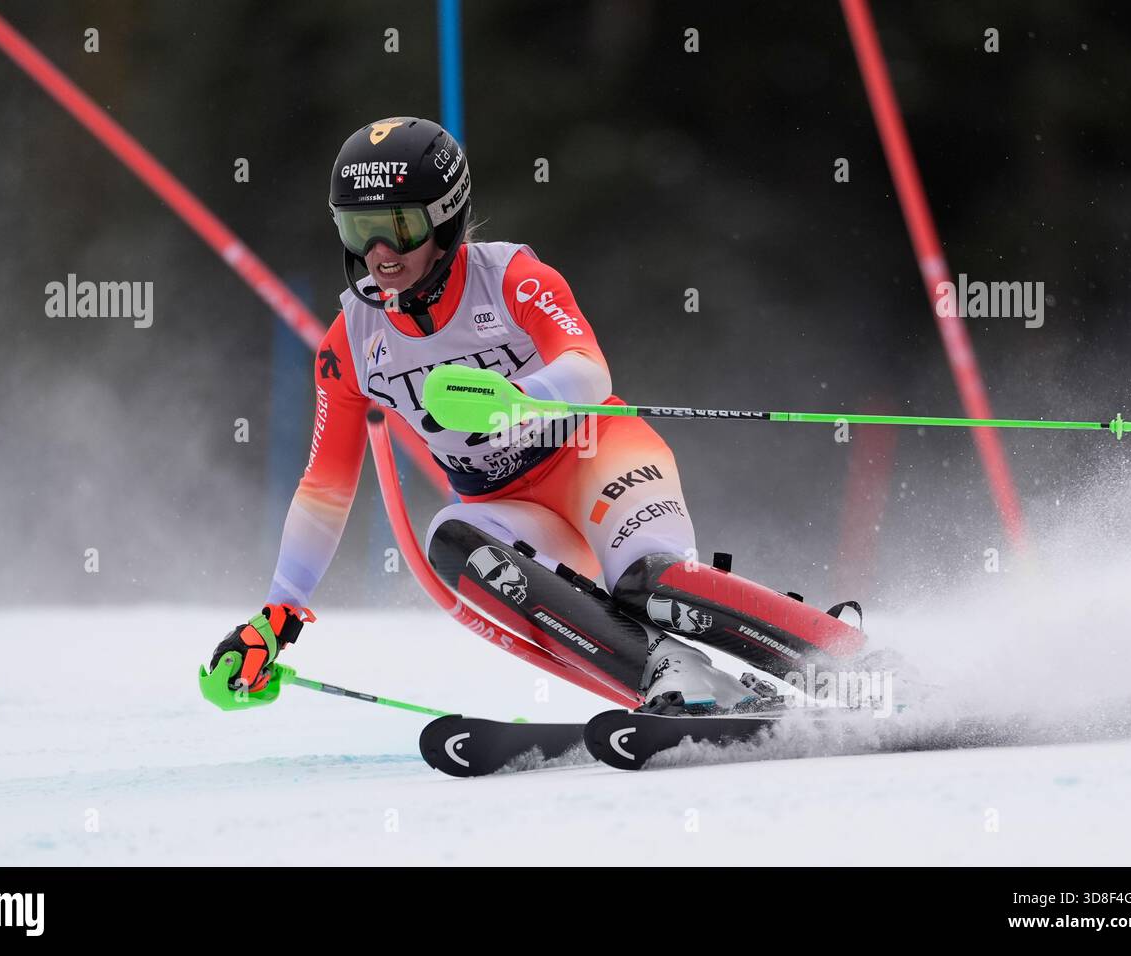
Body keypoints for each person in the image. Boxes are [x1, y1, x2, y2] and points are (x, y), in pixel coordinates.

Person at [207, 117, 864, 714]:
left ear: (444, 220)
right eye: (358, 228)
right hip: (510, 506)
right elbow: (324, 488)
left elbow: (587, 367)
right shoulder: (350, 342)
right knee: (453, 542)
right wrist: (277, 615)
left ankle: (848, 658)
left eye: (398, 227)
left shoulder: (513, 277)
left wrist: (521, 402)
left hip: (597, 458)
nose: (379, 252)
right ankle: (680, 677)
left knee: (647, 585)